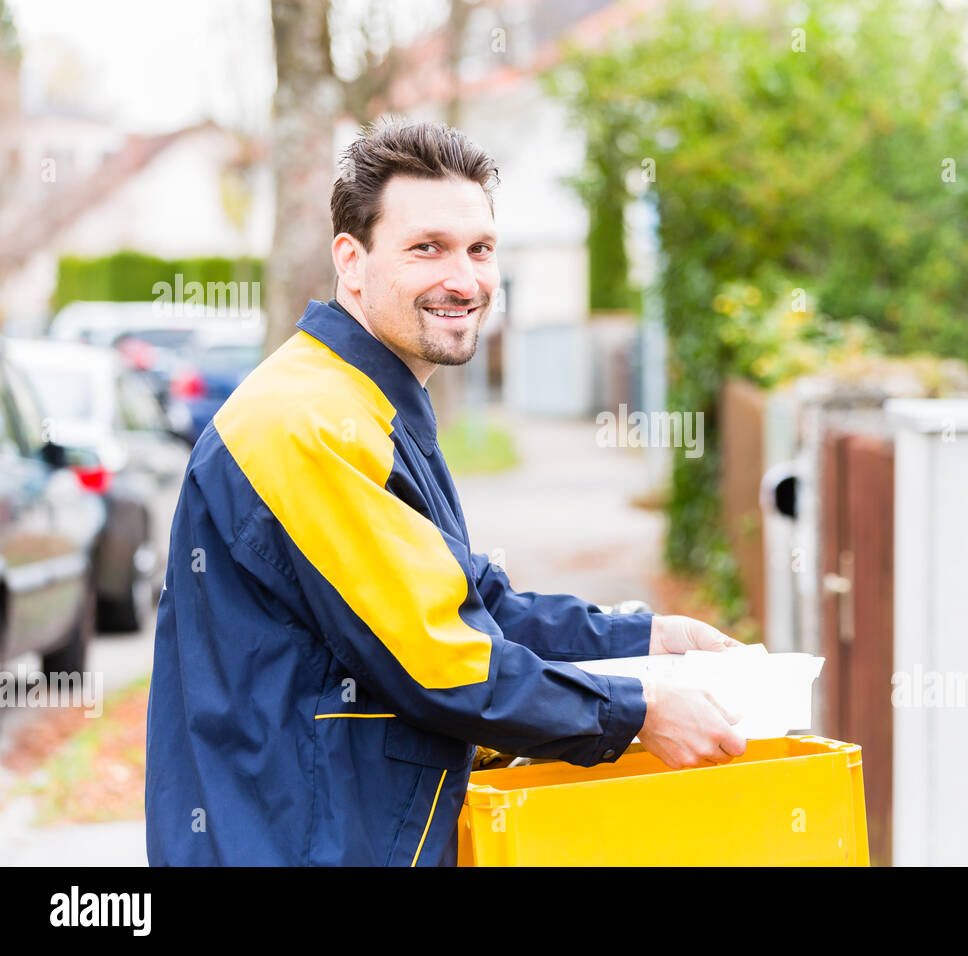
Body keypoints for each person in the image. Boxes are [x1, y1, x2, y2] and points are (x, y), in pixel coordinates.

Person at [144, 121, 747, 866]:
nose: (463, 279)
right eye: (426, 247)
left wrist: (645, 639)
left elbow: (468, 604)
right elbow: (439, 660)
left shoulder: (363, 402)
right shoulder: (306, 424)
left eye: (480, 249)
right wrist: (636, 712)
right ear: (351, 261)